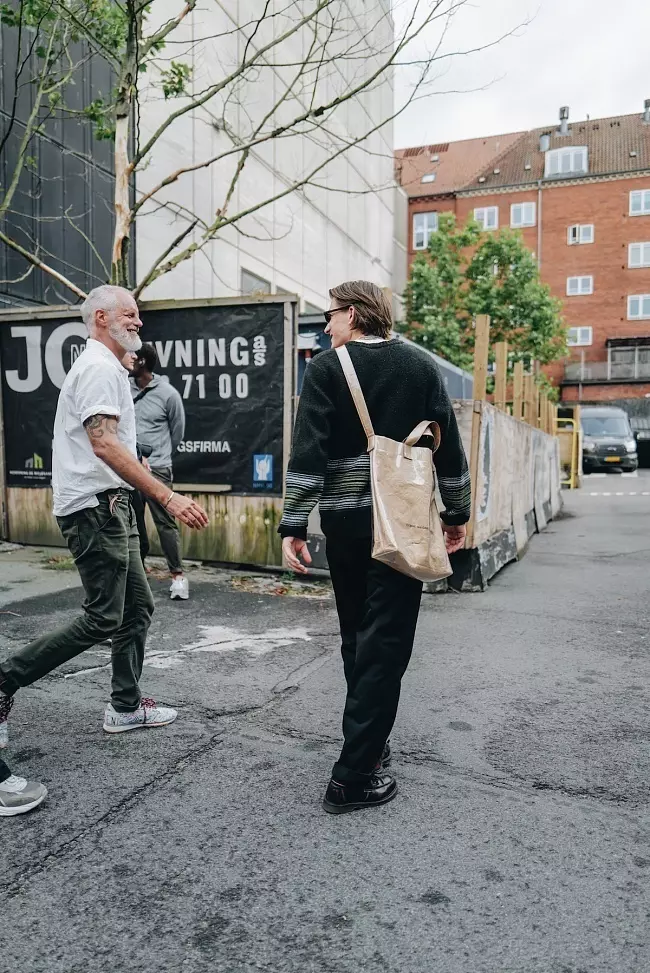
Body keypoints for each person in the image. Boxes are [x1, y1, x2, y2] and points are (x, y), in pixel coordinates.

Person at [279, 280, 471, 815]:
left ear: (356, 314)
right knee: (385, 643)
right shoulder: (420, 367)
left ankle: (370, 741)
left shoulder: (324, 369)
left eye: (331, 315)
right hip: (403, 521)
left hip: (344, 524)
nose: (326, 326)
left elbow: (308, 452)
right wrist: (455, 515)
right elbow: (447, 447)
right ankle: (353, 776)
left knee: (357, 634)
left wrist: (295, 523)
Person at [0, 285, 209, 753]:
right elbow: (103, 443)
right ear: (101, 317)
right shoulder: (97, 367)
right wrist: (167, 498)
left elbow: (113, 444)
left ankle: (126, 706)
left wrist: (143, 475)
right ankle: (4, 680)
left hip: (112, 505)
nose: (138, 322)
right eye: (130, 314)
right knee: (102, 617)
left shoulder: (110, 368)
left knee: (137, 608)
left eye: (138, 316)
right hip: (96, 509)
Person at [129, 344, 189, 600]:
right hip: (128, 470)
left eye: (132, 356)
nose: (127, 359)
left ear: (142, 361)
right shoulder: (122, 389)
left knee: (165, 524)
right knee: (134, 526)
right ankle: (138, 581)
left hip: (158, 469)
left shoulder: (168, 394)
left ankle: (178, 577)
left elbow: (178, 432)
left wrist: (159, 457)